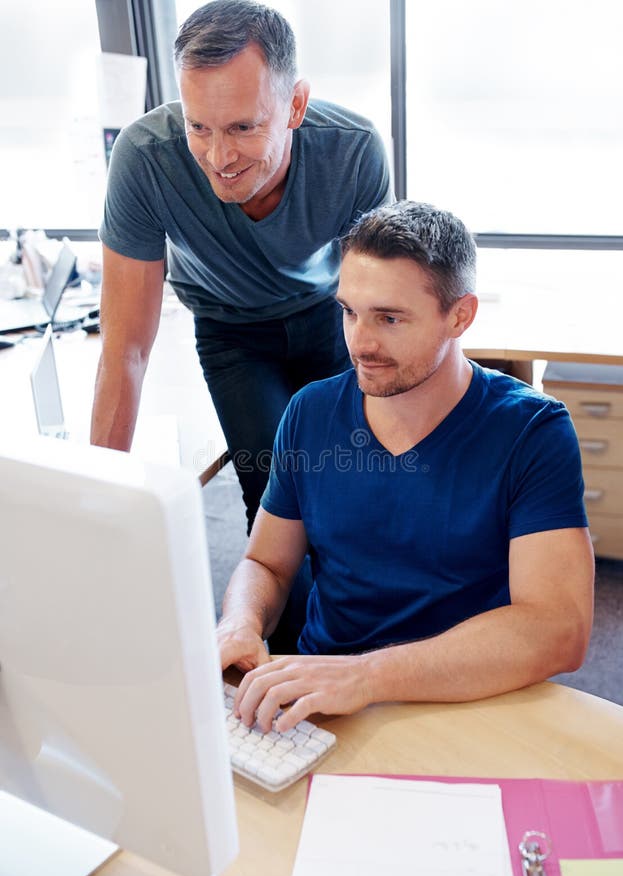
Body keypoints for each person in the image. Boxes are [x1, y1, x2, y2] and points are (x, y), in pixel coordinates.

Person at [217, 200, 595, 733]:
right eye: (349, 312)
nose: (360, 342)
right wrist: (240, 619)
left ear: (460, 315)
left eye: (389, 318)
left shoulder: (532, 431)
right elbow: (267, 564)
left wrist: (366, 676)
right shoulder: (310, 412)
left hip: (465, 701)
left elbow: (558, 628)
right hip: (321, 700)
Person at [90, 0, 391, 536]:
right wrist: (96, 506)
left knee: (354, 485)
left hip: (331, 317)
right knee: (275, 499)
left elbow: (384, 302)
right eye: (198, 127)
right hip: (231, 331)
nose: (218, 157)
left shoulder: (353, 151)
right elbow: (125, 349)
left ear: (295, 105)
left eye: (243, 127)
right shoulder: (144, 158)